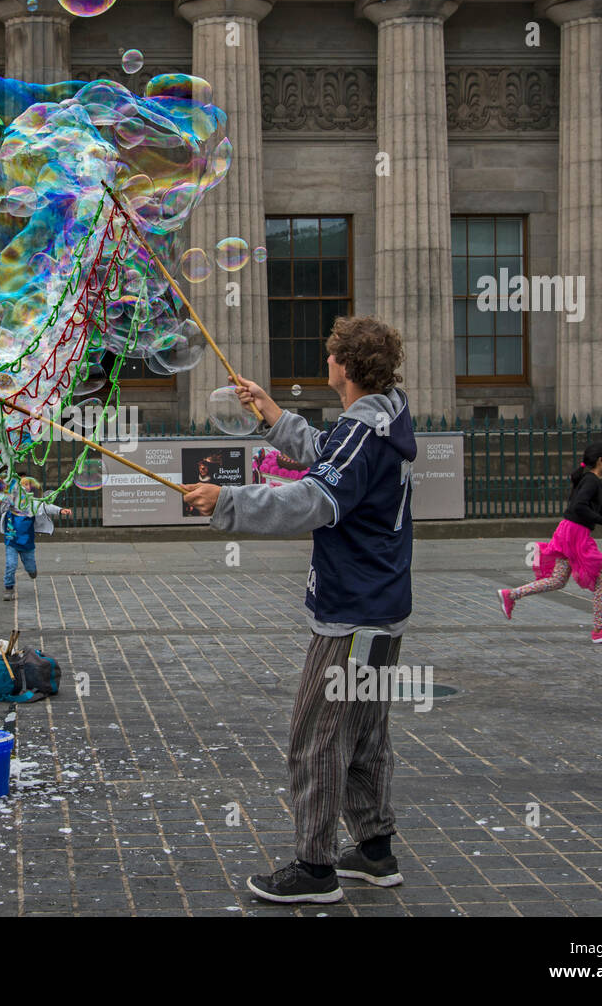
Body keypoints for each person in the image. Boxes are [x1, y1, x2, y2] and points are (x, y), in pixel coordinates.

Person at [184, 316, 416, 904]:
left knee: (315, 738)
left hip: (351, 614)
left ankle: (314, 868)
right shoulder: (383, 417)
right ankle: (373, 847)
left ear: (345, 367)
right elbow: (326, 453)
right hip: (380, 609)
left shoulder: (363, 434)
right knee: (363, 735)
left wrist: (227, 501)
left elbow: (315, 497)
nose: (326, 360)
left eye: (332, 353)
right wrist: (271, 413)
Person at [497, 442, 602, 642]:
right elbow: (579, 506)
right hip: (576, 535)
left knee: (557, 580)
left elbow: (600, 508)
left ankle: (511, 595)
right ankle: (600, 627)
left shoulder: (591, 479)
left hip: (568, 531)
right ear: (600, 461)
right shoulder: (591, 480)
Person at [0, 495, 71, 601]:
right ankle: (9, 588)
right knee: (11, 565)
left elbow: (46, 506)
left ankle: (31, 570)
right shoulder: (9, 503)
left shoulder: (33, 504)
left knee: (30, 567)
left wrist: (60, 510)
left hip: (27, 544)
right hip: (11, 542)